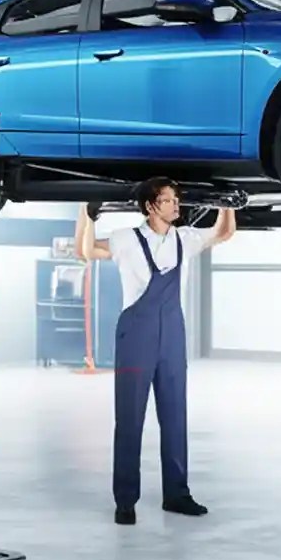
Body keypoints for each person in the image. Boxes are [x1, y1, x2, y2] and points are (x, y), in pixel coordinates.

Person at [74, 177, 237, 525]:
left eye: (176, 199)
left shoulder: (185, 239)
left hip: (172, 338)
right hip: (136, 336)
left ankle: (177, 494)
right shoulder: (126, 240)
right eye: (168, 200)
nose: (176, 205)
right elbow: (85, 251)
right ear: (150, 206)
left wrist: (228, 203)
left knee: (175, 417)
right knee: (130, 419)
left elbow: (222, 233)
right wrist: (86, 216)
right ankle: (125, 501)